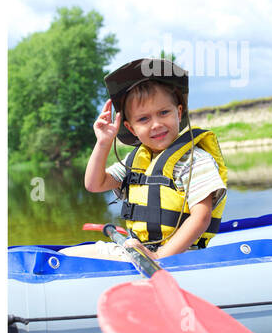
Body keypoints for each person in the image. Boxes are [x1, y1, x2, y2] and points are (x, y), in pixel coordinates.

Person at [84, 57, 227, 257]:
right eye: (144, 118)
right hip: (140, 251)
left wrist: (159, 255)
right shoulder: (135, 162)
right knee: (67, 253)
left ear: (178, 112)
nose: (156, 124)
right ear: (131, 128)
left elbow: (201, 217)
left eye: (163, 112)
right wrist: (103, 143)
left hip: (177, 256)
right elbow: (94, 184)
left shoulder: (195, 160)